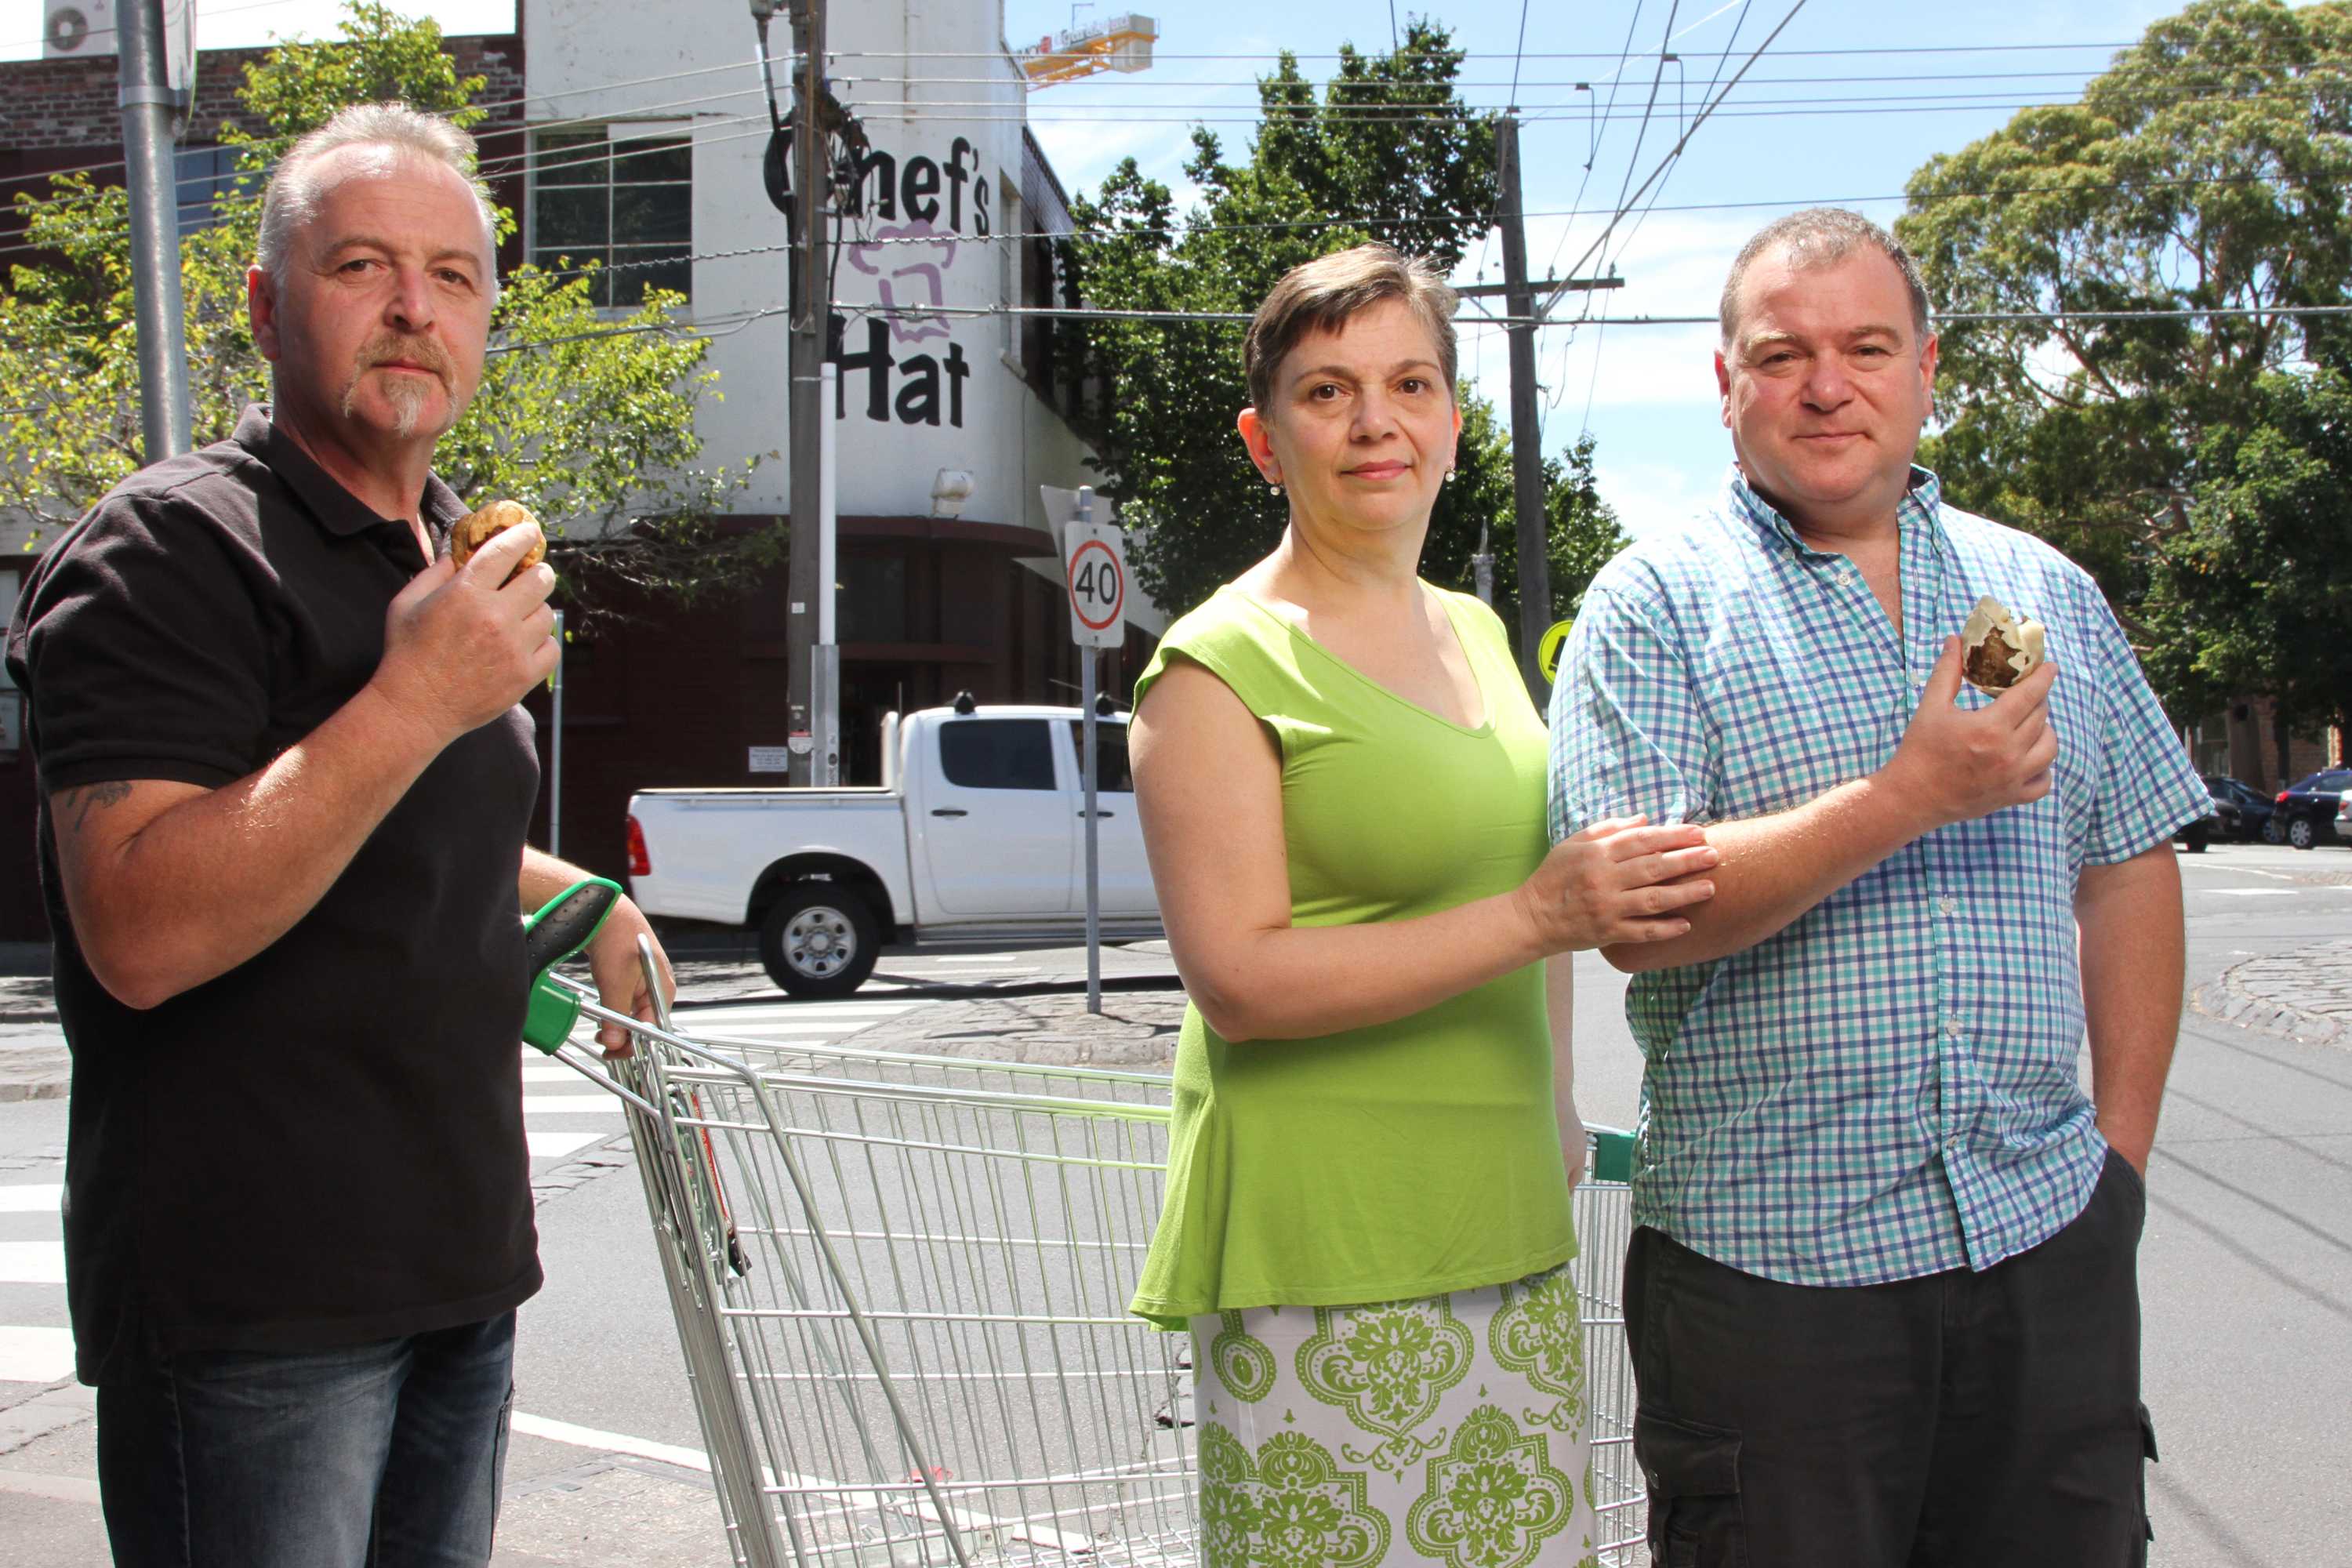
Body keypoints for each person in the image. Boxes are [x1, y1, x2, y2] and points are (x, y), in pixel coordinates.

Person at [3, 103, 674, 1566]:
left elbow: (391, 833)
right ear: (262, 304)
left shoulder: (440, 552)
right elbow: (142, 929)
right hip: (255, 1315)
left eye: (454, 274)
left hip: (461, 1277)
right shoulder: (168, 550)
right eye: (360, 265)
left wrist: (582, 901)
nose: (413, 308)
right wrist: (414, 695)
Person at [1548, 208, 2209, 1566]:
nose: (1828, 386)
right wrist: (1908, 796)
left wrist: (2118, 1169)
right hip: (1771, 1281)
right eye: (1784, 355)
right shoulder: (1657, 603)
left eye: (1867, 347)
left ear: (1927, 369)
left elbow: (2129, 855)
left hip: (2043, 1246)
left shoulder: (2042, 591)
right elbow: (1644, 921)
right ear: (1725, 384)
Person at [1126, 242, 1721, 1567]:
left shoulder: (1473, 630)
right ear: (1264, 438)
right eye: (1326, 391)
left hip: (1500, 1217)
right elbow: (1242, 981)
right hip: (1325, 1239)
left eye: (1409, 382)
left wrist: (1558, 1104)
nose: (1374, 421)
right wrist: (1537, 918)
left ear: (1455, 421)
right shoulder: (1215, 668)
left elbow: (1531, 875)